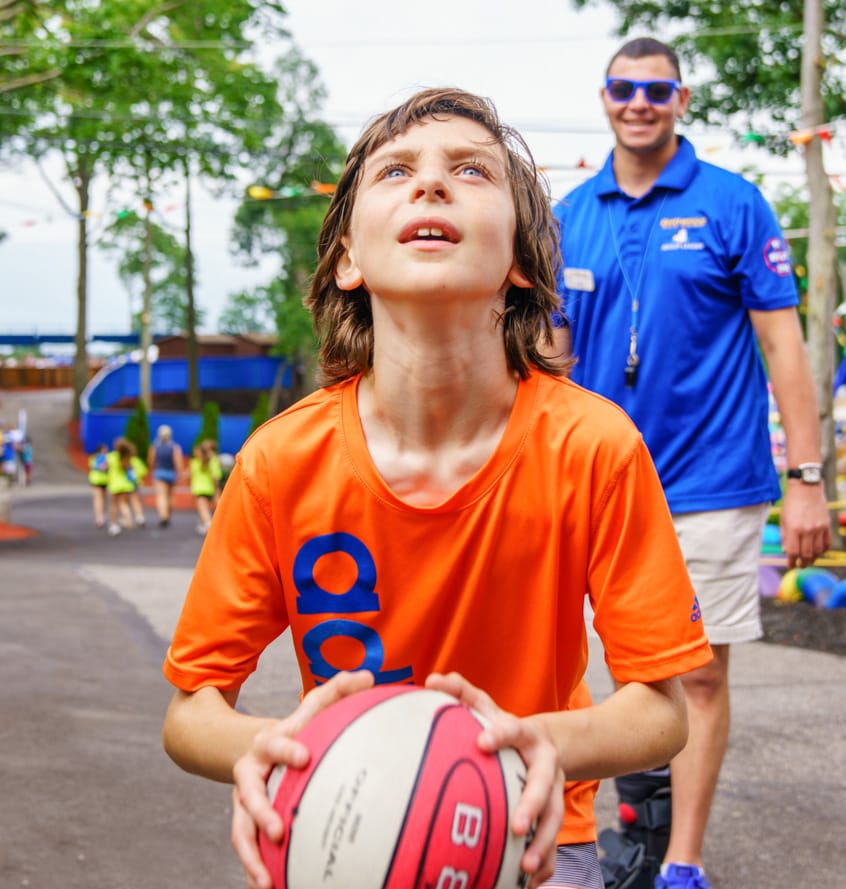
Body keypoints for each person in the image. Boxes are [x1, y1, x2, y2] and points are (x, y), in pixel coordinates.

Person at [161, 87, 713, 889]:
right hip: (343, 832)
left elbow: (661, 710)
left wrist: (536, 740)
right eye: (395, 171)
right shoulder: (281, 458)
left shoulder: (594, 445)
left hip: (537, 841)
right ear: (348, 256)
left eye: (470, 170)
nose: (430, 184)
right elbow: (190, 709)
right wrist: (272, 748)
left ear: (522, 259)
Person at [552, 38, 831, 889]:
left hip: (711, 479)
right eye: (623, 88)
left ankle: (682, 862)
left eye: (657, 89)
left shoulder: (733, 203)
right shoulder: (568, 212)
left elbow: (783, 343)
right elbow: (550, 359)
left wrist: (809, 480)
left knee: (699, 675)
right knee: (580, 670)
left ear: (681, 99)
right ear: (603, 98)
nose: (639, 102)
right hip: (597, 484)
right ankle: (573, 840)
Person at [105, 437, 148, 536]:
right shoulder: (130, 458)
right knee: (124, 503)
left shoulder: (111, 457)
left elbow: (103, 467)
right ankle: (130, 518)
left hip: (115, 485)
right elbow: (141, 470)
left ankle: (114, 524)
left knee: (114, 505)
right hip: (126, 485)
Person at [147, 424, 184, 528]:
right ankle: (168, 516)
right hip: (171, 473)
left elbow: (151, 461)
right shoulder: (174, 447)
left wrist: (150, 472)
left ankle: (163, 516)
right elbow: (177, 461)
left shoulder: (154, 446)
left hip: (159, 472)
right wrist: (180, 473)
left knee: (161, 496)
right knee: (169, 496)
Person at [188, 439, 220, 535]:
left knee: (202, 507)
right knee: (213, 506)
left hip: (199, 488)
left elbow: (190, 474)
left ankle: (207, 522)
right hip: (209, 487)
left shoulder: (195, 462)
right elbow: (216, 476)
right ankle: (205, 523)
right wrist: (216, 487)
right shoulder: (212, 461)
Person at [88, 443, 110, 528]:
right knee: (100, 499)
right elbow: (101, 467)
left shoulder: (94, 458)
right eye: (105, 449)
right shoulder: (101, 457)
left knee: (100, 499)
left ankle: (100, 517)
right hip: (100, 480)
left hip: (99, 480)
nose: (106, 451)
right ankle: (100, 517)